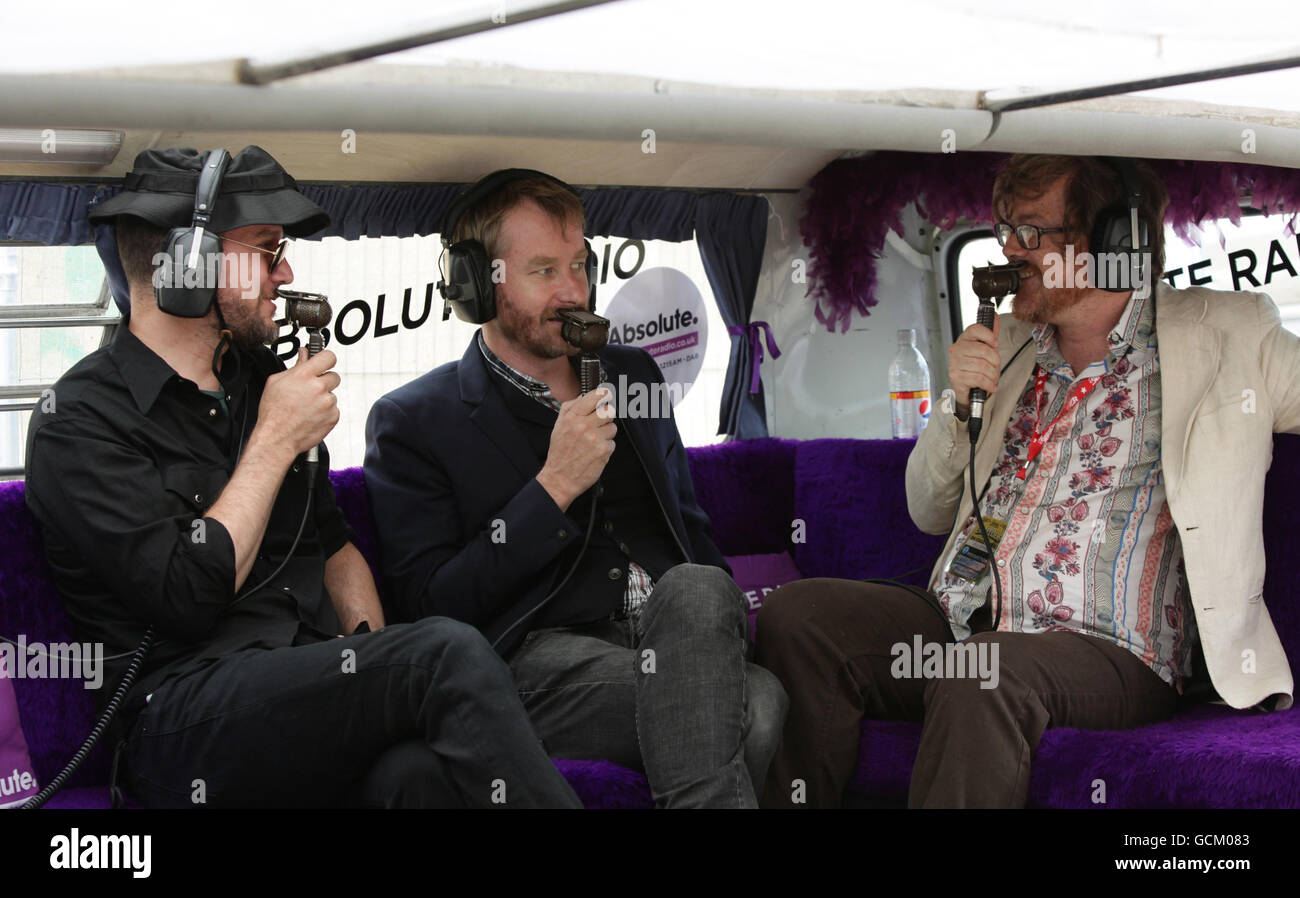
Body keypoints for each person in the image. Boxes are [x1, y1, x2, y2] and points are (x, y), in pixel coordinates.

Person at [25, 146, 581, 809]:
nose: (285, 272)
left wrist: (367, 660)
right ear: (188, 265)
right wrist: (273, 438)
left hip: (297, 690)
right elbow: (184, 597)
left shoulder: (260, 382)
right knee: (444, 655)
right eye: (266, 251)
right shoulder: (78, 421)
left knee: (417, 776)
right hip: (182, 725)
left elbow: (334, 548)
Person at [756, 153, 1300, 808]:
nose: (1008, 250)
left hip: (1111, 651)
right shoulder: (1005, 338)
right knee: (801, 615)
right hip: (959, 620)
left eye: (1031, 232)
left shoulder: (1230, 331)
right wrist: (957, 407)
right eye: (1004, 229)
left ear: (1111, 241)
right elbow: (927, 509)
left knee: (981, 672)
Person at [364, 168, 787, 808]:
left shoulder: (632, 373)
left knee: (702, 588)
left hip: (679, 630)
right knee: (754, 702)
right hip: (537, 663)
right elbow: (433, 608)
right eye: (543, 271)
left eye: (580, 265)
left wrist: (721, 619)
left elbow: (690, 527)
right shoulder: (414, 419)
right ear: (478, 285)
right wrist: (552, 487)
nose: (573, 291)